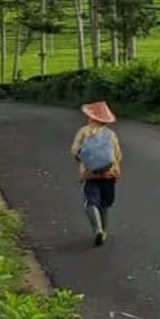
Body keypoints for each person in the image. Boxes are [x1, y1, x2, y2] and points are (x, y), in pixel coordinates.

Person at [70, 101, 122, 246]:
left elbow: (75, 151)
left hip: (89, 174)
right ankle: (104, 231)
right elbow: (117, 156)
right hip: (109, 175)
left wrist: (84, 161)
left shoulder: (83, 131)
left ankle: (97, 229)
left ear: (92, 117)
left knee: (91, 201)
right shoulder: (111, 134)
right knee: (105, 203)